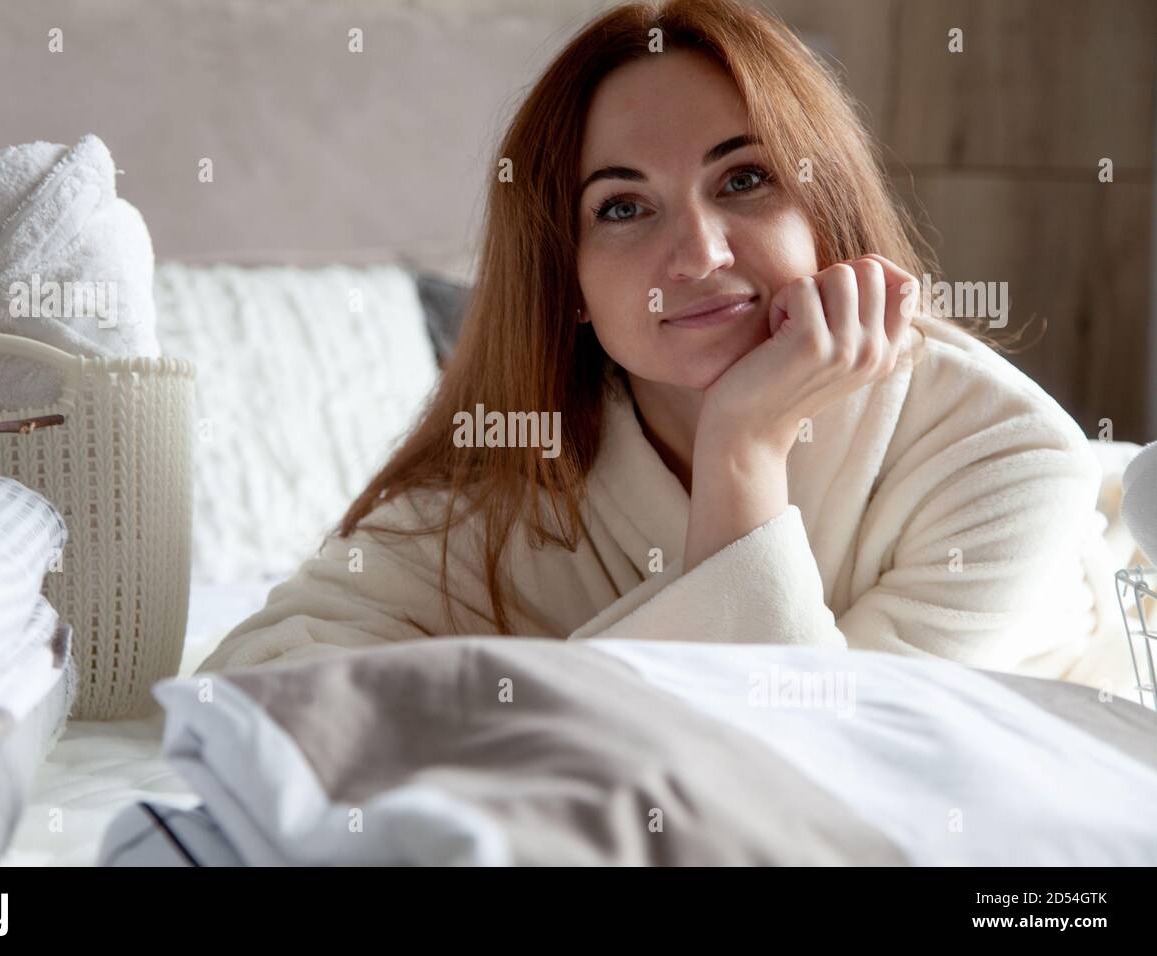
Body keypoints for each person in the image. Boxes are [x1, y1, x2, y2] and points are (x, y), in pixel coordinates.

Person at [201, 0, 1124, 692]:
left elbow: (815, 778)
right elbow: (260, 679)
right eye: (624, 206)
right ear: (569, 285)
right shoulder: (522, 468)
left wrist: (743, 450)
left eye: (745, 178)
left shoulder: (1003, 453)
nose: (699, 254)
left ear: (828, 214)